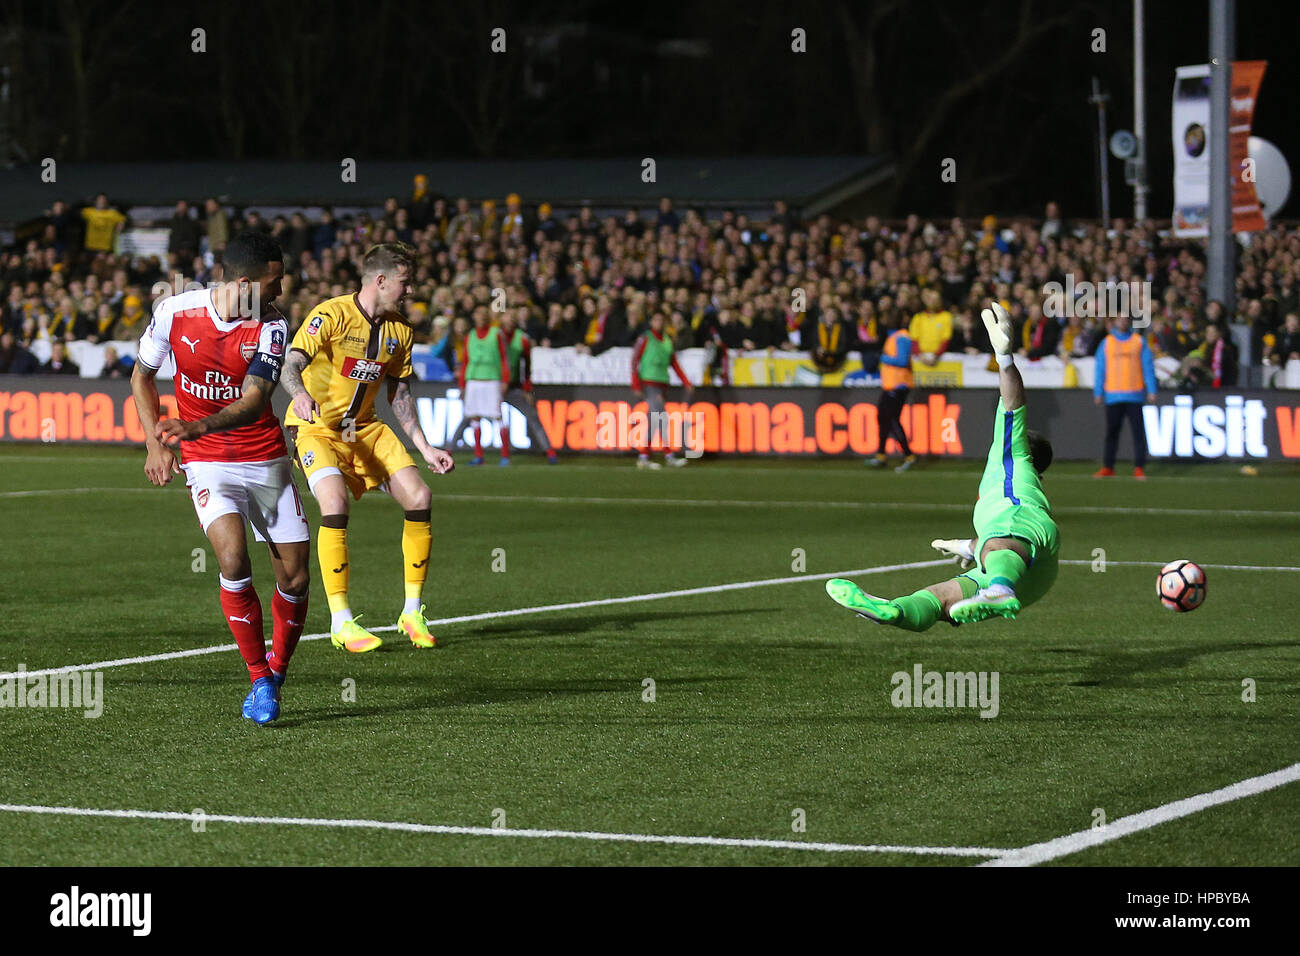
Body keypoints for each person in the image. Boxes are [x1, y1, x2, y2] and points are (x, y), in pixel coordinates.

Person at [132, 232, 311, 726]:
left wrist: (192, 427)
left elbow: (254, 401)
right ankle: (259, 678)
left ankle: (277, 669)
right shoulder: (174, 312)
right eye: (274, 282)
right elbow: (141, 376)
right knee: (232, 559)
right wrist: (154, 442)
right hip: (208, 460)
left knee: (295, 578)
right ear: (245, 283)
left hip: (265, 459)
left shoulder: (272, 326)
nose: (281, 291)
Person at [827, 302, 1058, 628]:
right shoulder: (1014, 489)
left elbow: (1013, 402)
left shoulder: (1013, 457)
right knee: (941, 599)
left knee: (996, 547)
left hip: (1011, 559)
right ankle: (894, 610)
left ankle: (999, 590)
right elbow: (1007, 540)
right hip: (1027, 574)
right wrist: (966, 546)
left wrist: (1005, 359)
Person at [280, 241, 454, 654]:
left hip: (365, 429)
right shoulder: (331, 315)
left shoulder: (401, 331)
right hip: (318, 429)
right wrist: (299, 395)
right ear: (380, 280)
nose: (410, 291)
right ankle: (341, 621)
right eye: (405, 282)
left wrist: (425, 447)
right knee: (335, 503)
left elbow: (400, 394)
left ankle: (411, 613)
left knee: (420, 496)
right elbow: (291, 363)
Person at [1093, 314, 1157, 479]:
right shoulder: (1107, 342)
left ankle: (1139, 467)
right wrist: (1098, 391)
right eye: (1119, 319)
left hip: (1134, 394)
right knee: (1112, 433)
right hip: (1113, 394)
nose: (1122, 321)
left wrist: (1152, 389)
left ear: (1129, 321)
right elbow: (1100, 369)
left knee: (1138, 433)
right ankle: (1108, 466)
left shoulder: (1139, 341)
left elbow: (1148, 367)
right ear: (1115, 321)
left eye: (1125, 319)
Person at [631, 310, 694, 469]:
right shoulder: (645, 338)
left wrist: (686, 382)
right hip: (649, 383)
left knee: (655, 418)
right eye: (656, 320)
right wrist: (636, 384)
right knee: (659, 417)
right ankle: (666, 455)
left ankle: (646, 456)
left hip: (662, 384)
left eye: (661, 320)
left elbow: (674, 363)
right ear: (651, 322)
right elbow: (634, 360)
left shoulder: (667, 340)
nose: (659, 323)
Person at [458, 305, 512, 466]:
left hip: (492, 380)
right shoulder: (470, 336)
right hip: (474, 380)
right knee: (475, 417)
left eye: (483, 314)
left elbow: (504, 358)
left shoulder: (497, 334)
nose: (480, 317)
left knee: (497, 416)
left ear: (487, 316)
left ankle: (505, 455)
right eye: (478, 314)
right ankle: (479, 455)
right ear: (474, 317)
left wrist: (505, 380)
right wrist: (462, 385)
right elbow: (465, 361)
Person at [868, 314, 917, 472]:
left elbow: (902, 361)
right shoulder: (894, 337)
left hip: (899, 385)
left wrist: (883, 358)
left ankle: (909, 456)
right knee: (882, 417)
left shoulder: (902, 337)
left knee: (892, 420)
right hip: (891, 385)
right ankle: (881, 455)